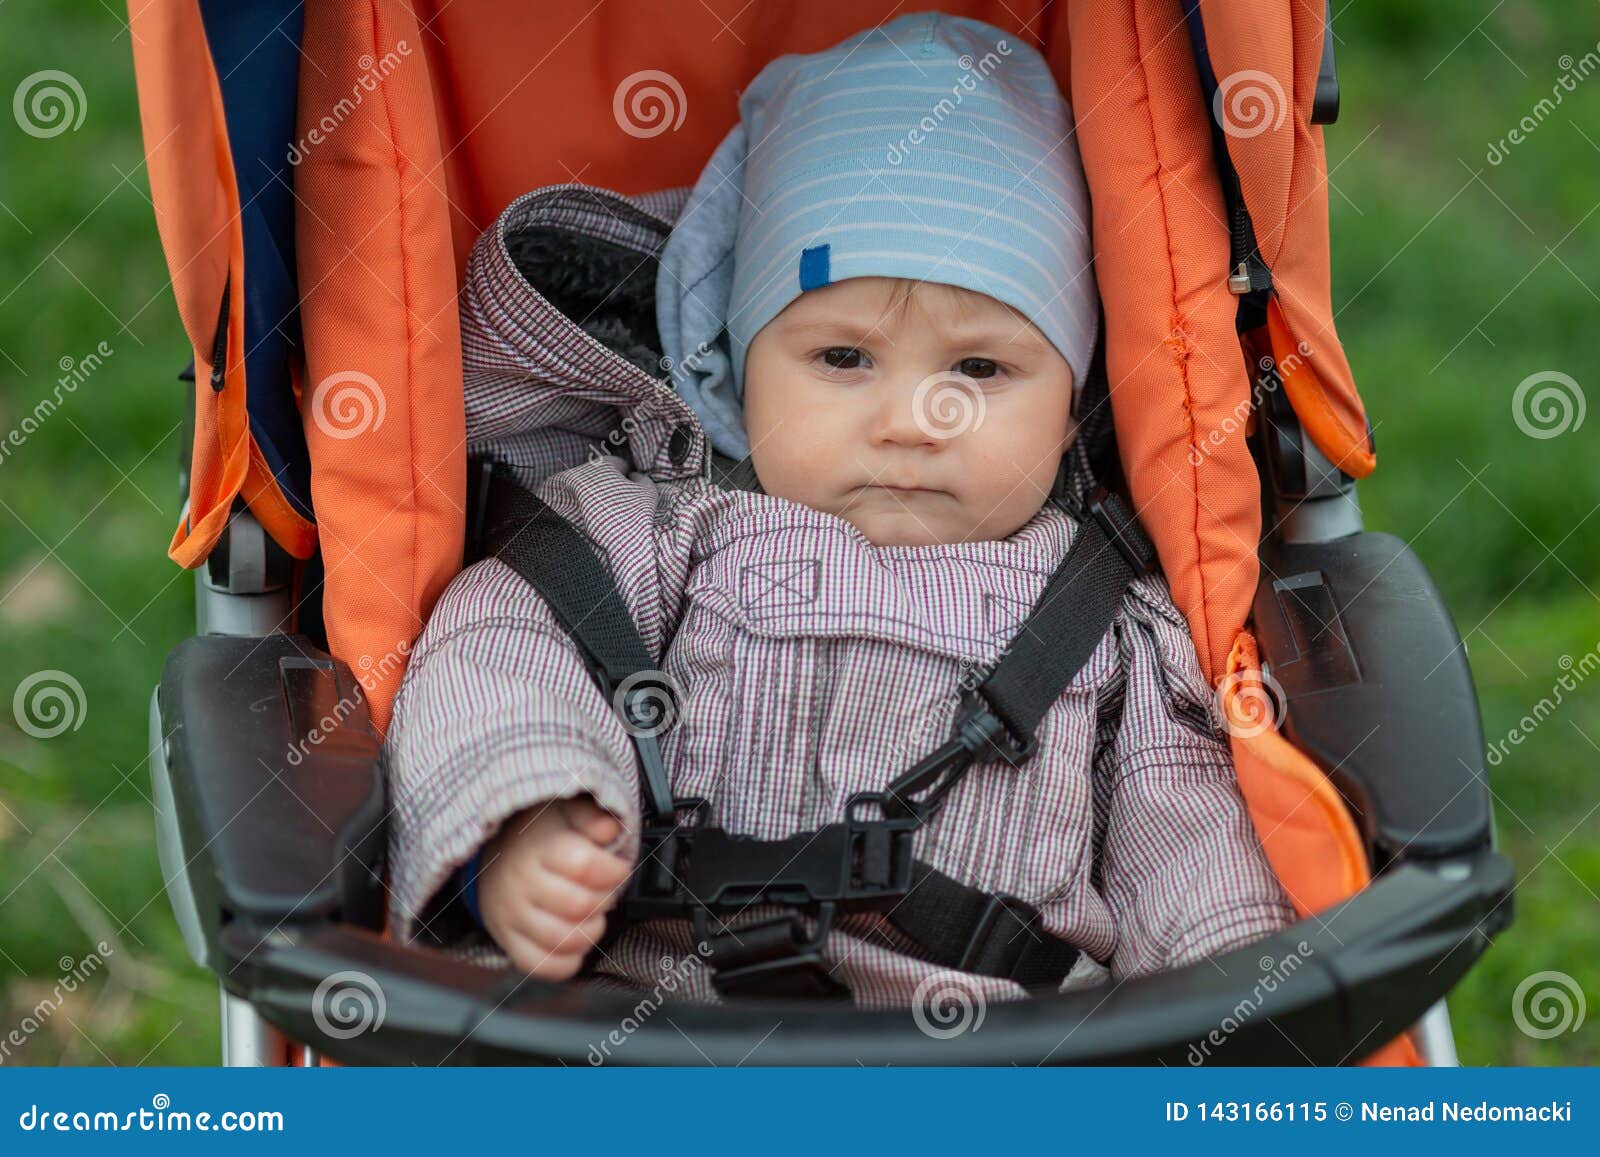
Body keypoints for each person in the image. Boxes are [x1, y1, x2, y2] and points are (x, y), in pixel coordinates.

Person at [382, 11, 1293, 1007]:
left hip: (1006, 1055)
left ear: (1071, 401)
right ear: (733, 370)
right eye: (842, 357)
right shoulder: (649, 528)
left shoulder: (1110, 610)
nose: (913, 418)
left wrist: (1243, 997)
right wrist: (525, 819)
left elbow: (1187, 831)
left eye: (980, 367)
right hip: (652, 1033)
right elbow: (495, 649)